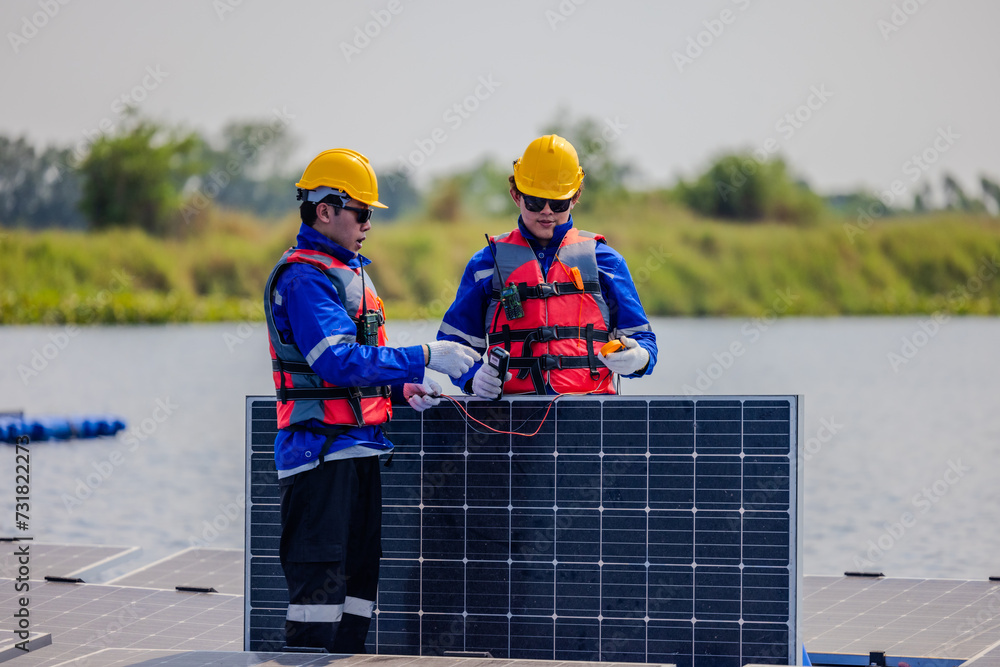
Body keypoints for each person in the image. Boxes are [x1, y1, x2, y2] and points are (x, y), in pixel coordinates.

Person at [263, 148, 479, 653]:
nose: (367, 225)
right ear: (325, 209)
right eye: (361, 213)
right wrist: (426, 354)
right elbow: (337, 361)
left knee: (358, 597)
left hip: (360, 453)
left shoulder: (351, 273)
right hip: (319, 459)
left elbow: (365, 366)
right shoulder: (304, 278)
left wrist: (404, 389)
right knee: (317, 607)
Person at [437, 134, 657, 397]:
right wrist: (473, 380)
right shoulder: (485, 264)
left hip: (590, 418)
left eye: (558, 203)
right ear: (515, 195)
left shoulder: (606, 262)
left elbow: (645, 342)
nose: (547, 211)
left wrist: (639, 358)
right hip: (509, 417)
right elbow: (454, 346)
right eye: (534, 202)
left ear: (575, 198)